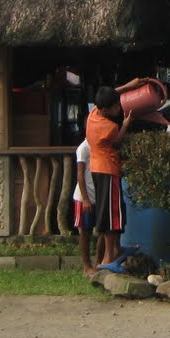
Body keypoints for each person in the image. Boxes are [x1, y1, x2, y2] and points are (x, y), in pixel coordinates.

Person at [85, 86, 131, 269]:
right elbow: (119, 138)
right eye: (115, 107)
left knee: (106, 212)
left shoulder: (93, 115)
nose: (118, 109)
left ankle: (112, 252)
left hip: (97, 169)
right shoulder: (110, 127)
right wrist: (126, 124)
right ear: (105, 109)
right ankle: (109, 256)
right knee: (113, 215)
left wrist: (129, 86)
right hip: (108, 170)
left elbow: (105, 97)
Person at [72, 104, 96, 278]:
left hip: (97, 195)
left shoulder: (99, 145)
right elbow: (80, 175)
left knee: (102, 230)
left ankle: (99, 262)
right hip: (84, 197)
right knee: (85, 232)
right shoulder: (83, 148)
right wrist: (86, 199)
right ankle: (86, 265)